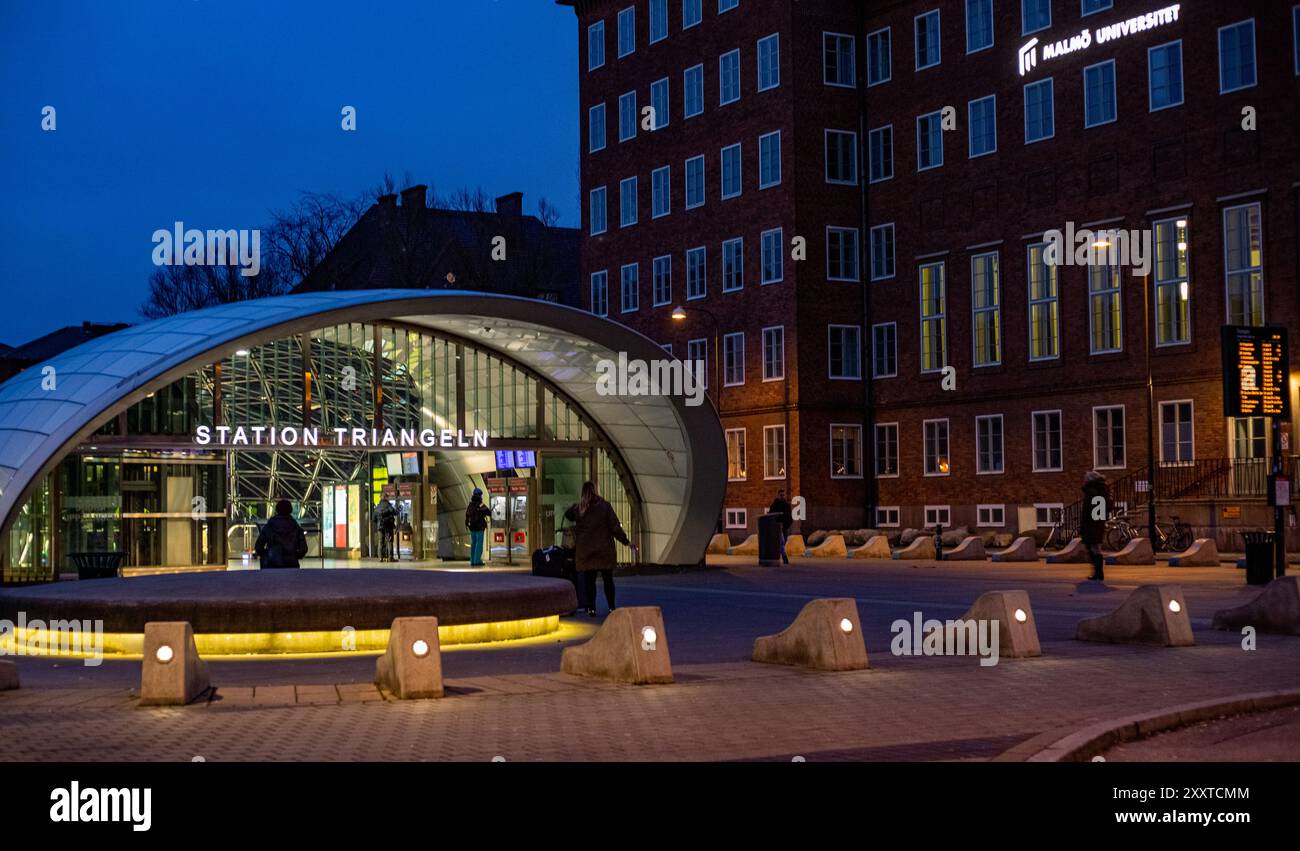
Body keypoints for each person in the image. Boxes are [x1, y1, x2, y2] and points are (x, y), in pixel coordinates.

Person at [564, 481, 634, 616]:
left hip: (587, 551)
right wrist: (626, 542)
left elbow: (568, 515)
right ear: (596, 491)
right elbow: (615, 527)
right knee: (608, 580)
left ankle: (592, 608)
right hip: (604, 549)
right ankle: (611, 607)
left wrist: (577, 505)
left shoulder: (579, 509)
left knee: (590, 582)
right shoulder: (605, 506)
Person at [254, 499, 308, 569]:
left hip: (271, 565)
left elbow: (258, 547)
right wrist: (293, 555)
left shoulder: (269, 527)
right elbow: (303, 549)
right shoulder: (296, 528)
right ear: (290, 510)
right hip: (291, 565)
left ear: (277, 510)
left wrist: (268, 554)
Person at [1080, 470, 1110, 582]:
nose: (1084, 480)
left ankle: (1098, 572)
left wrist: (1085, 524)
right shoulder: (1101, 490)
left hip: (1092, 523)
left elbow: (1087, 510)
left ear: (1089, 480)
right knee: (1096, 548)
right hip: (1098, 522)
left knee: (1093, 548)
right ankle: (1098, 572)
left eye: (1085, 478)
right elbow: (1102, 508)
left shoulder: (1091, 491)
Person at [465, 488, 491, 567]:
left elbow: (467, 515)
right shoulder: (480, 504)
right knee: (479, 544)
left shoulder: (470, 504)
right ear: (480, 495)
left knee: (473, 543)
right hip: (479, 527)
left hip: (472, 527)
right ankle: (477, 560)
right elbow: (488, 512)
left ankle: (472, 560)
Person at [768, 489, 793, 565]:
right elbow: (771, 514)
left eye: (783, 495)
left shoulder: (786, 505)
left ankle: (777, 555)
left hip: (785, 526)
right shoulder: (774, 505)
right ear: (778, 495)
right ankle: (784, 558)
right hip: (778, 526)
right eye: (781, 495)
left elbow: (789, 516)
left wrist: (788, 524)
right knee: (781, 542)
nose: (782, 496)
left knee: (783, 541)